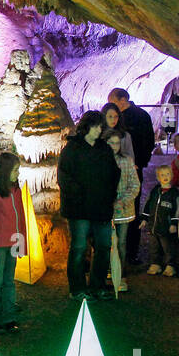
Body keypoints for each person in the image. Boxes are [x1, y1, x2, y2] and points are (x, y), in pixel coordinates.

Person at [59, 110, 120, 300]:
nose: (99, 130)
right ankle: (77, 288)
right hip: (79, 209)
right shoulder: (72, 149)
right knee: (79, 248)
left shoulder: (104, 149)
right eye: (96, 126)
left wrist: (109, 195)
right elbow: (64, 177)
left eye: (101, 126)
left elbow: (113, 174)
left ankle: (97, 285)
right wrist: (78, 195)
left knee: (103, 246)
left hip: (101, 208)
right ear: (87, 127)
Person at [109, 88, 155, 265]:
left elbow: (148, 141)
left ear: (122, 100)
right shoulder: (136, 115)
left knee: (131, 207)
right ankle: (125, 251)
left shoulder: (138, 117)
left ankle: (129, 250)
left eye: (113, 100)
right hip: (125, 168)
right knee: (124, 206)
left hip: (133, 168)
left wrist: (139, 162)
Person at [0, 152, 26, 333]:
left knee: (9, 280)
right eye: (15, 170)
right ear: (6, 170)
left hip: (13, 242)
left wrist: (21, 243)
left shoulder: (15, 189)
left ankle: (8, 316)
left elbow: (21, 217)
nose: (18, 174)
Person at [106, 128, 141, 293]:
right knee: (105, 243)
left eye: (117, 143)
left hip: (123, 210)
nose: (114, 146)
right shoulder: (100, 161)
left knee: (121, 243)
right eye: (111, 143)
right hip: (105, 210)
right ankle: (107, 272)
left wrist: (122, 200)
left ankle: (121, 275)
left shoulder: (126, 161)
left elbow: (135, 184)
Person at [142, 165, 179, 276]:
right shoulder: (155, 190)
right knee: (154, 246)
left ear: (172, 175)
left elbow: (177, 209)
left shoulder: (174, 193)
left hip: (166, 226)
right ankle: (155, 264)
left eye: (167, 174)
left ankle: (170, 265)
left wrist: (174, 223)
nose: (165, 177)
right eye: (162, 175)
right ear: (158, 178)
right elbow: (148, 204)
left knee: (167, 247)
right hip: (153, 225)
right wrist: (144, 218)